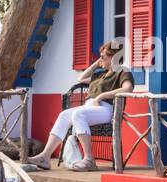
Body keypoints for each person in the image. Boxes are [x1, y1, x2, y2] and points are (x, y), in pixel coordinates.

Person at [24, 41, 134, 172]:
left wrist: (101, 96)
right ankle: (45, 157)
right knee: (64, 115)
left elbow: (128, 88)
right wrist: (95, 65)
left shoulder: (122, 71)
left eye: (104, 56)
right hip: (90, 108)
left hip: (106, 109)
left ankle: (89, 160)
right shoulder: (100, 74)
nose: (101, 59)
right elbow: (81, 78)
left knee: (78, 114)